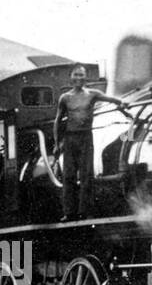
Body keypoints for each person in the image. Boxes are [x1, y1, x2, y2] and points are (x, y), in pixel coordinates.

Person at [52, 65, 130, 222]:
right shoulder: (65, 98)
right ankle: (69, 212)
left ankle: (84, 211)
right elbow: (57, 120)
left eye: (82, 75)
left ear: (85, 77)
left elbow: (113, 99)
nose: (79, 78)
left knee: (87, 175)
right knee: (69, 176)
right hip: (70, 139)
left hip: (86, 138)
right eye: (76, 75)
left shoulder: (93, 94)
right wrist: (56, 143)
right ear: (71, 77)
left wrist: (122, 103)